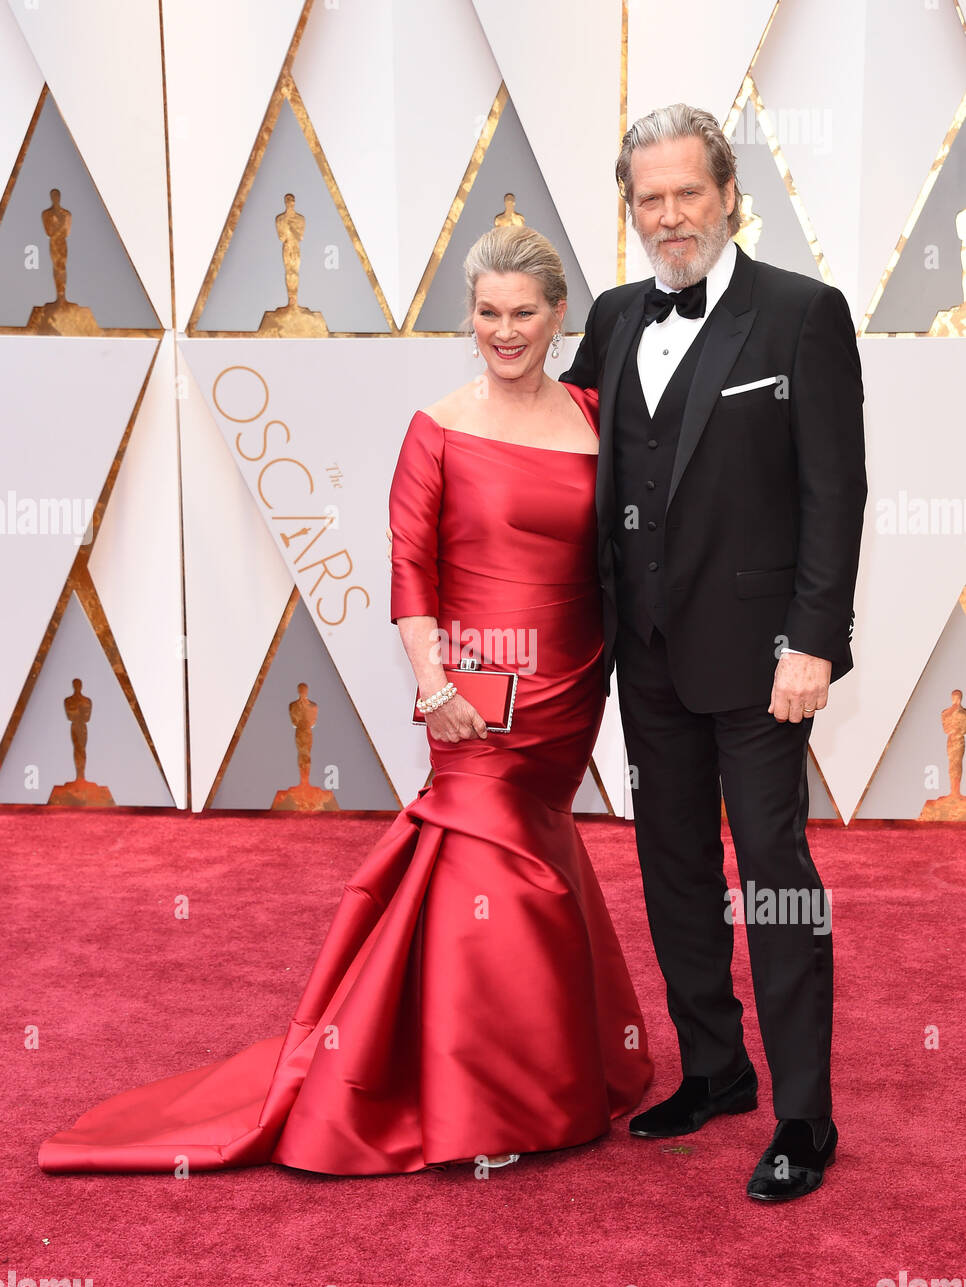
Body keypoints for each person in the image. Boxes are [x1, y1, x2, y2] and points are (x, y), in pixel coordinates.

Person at [38, 225, 653, 1178]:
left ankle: (524, 1070)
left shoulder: (595, 415)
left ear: (558, 315)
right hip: (475, 691)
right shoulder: (438, 427)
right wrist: (433, 684)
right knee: (492, 872)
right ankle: (487, 1097)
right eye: (487, 313)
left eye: (523, 313)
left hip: (569, 689)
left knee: (539, 853)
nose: (505, 330)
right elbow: (410, 572)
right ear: (470, 317)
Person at [561, 103, 867, 1202]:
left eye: (689, 191)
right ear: (631, 208)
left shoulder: (801, 314)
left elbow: (837, 491)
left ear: (729, 192)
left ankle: (804, 1116)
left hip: (764, 658)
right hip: (643, 654)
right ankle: (715, 1069)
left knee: (774, 877)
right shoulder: (608, 318)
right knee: (673, 868)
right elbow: (581, 470)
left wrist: (815, 643)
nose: (670, 214)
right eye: (650, 197)